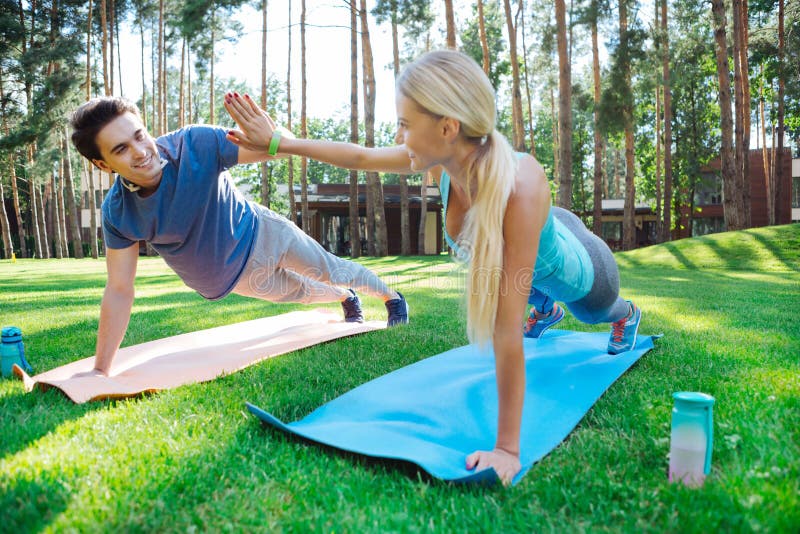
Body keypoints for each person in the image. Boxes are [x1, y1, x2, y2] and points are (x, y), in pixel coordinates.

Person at [223, 49, 642, 485]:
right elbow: (361, 157)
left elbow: (504, 329)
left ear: (447, 127)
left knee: (594, 311)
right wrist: (278, 143)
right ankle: (547, 308)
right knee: (525, 284)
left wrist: (507, 450)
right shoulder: (443, 160)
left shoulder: (520, 186)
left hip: (579, 268)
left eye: (405, 124)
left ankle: (624, 314)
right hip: (531, 259)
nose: (399, 134)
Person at [68, 96, 409, 376]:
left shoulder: (194, 144)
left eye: (140, 135)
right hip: (234, 280)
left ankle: (392, 297)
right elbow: (119, 288)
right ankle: (345, 297)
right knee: (305, 293)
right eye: (121, 149)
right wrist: (101, 369)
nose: (141, 151)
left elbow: (278, 146)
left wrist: (271, 134)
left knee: (328, 268)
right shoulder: (119, 211)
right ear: (103, 164)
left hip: (265, 235)